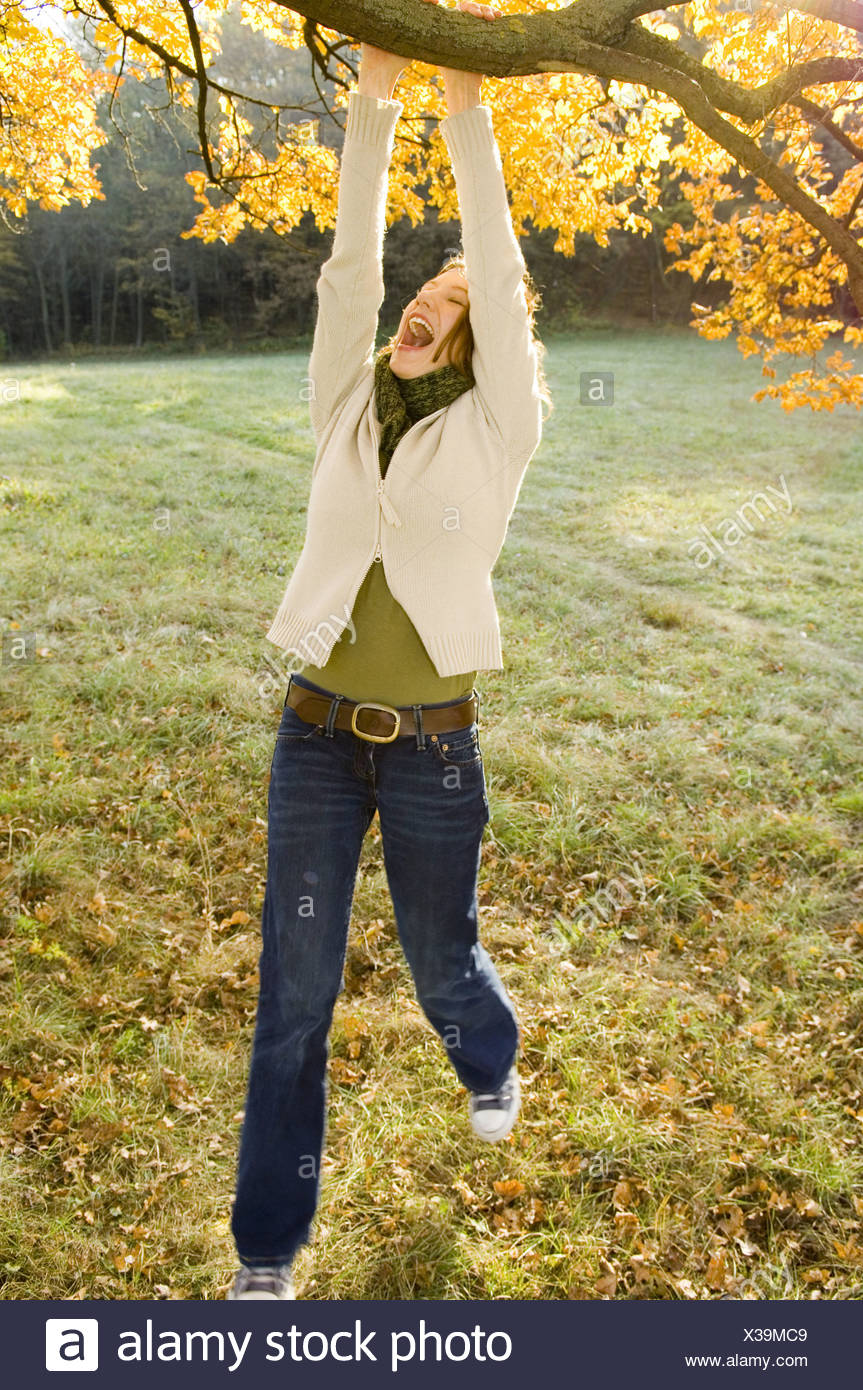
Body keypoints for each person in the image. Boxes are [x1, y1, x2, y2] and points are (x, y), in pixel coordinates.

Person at [227, 0, 551, 1301]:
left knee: (438, 960)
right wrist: (374, 105)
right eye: (424, 292)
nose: (422, 301)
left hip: (433, 756)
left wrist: (464, 115)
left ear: (478, 347)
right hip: (314, 740)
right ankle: (266, 1252)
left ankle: (488, 1051)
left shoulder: (500, 428)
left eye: (448, 304)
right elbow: (347, 271)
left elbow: (497, 268)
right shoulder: (346, 392)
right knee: (293, 994)